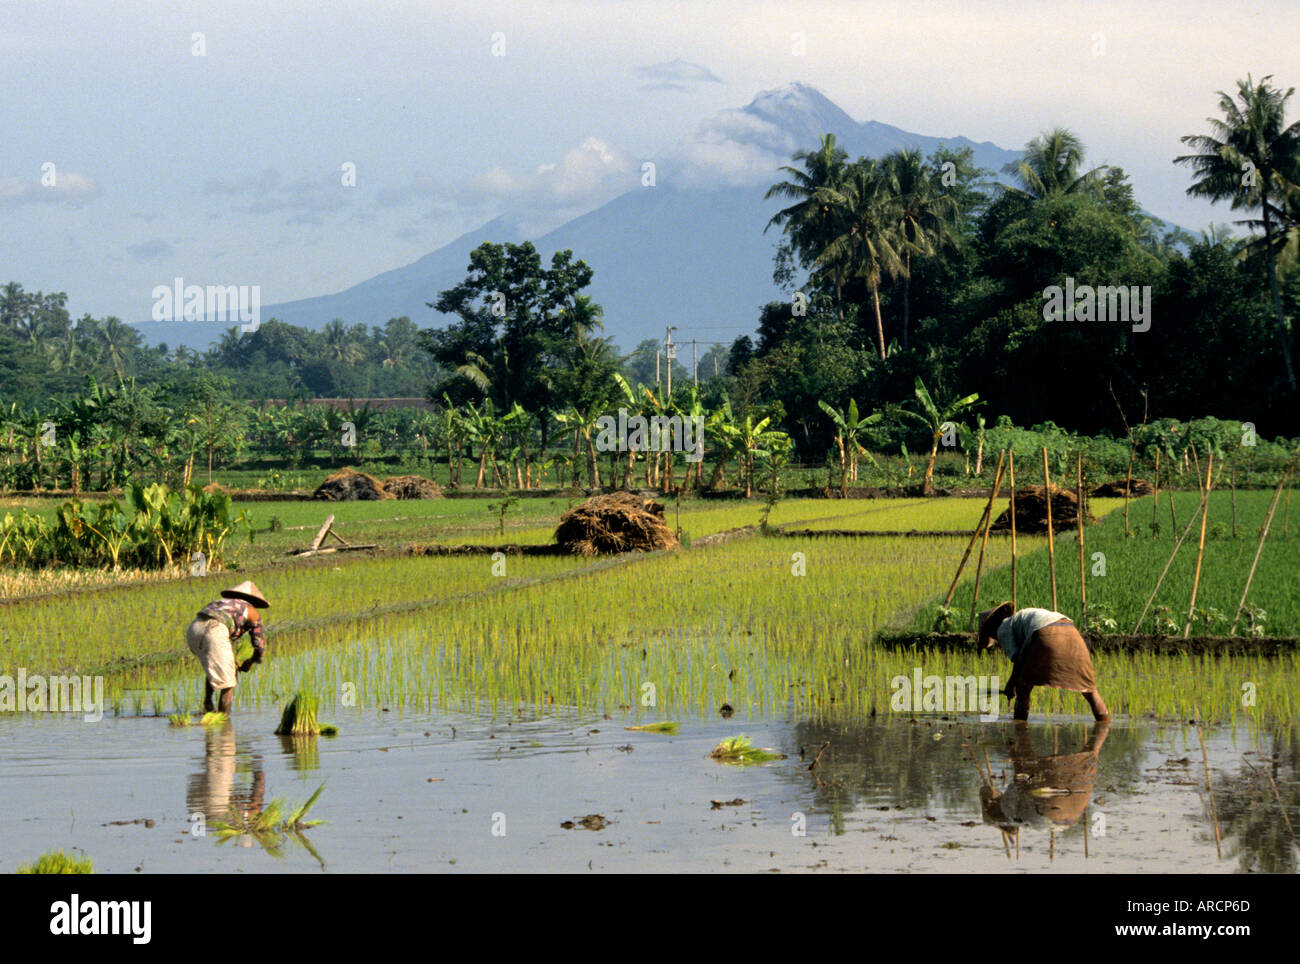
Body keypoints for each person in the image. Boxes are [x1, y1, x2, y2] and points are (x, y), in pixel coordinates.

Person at [977, 602, 1109, 722]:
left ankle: (1020, 726)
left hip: (1045, 633)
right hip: (1071, 632)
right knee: (1089, 689)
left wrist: (1011, 684)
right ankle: (1103, 726)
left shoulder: (1003, 627)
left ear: (990, 627)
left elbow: (1018, 660)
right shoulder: (1022, 617)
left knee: (1023, 685)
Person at [186, 580, 270, 715]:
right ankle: (224, 722)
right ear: (252, 600)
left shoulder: (220, 603)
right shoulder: (251, 611)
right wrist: (251, 661)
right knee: (229, 682)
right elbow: (259, 645)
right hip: (214, 630)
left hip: (193, 630)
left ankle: (208, 703)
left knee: (213, 667)